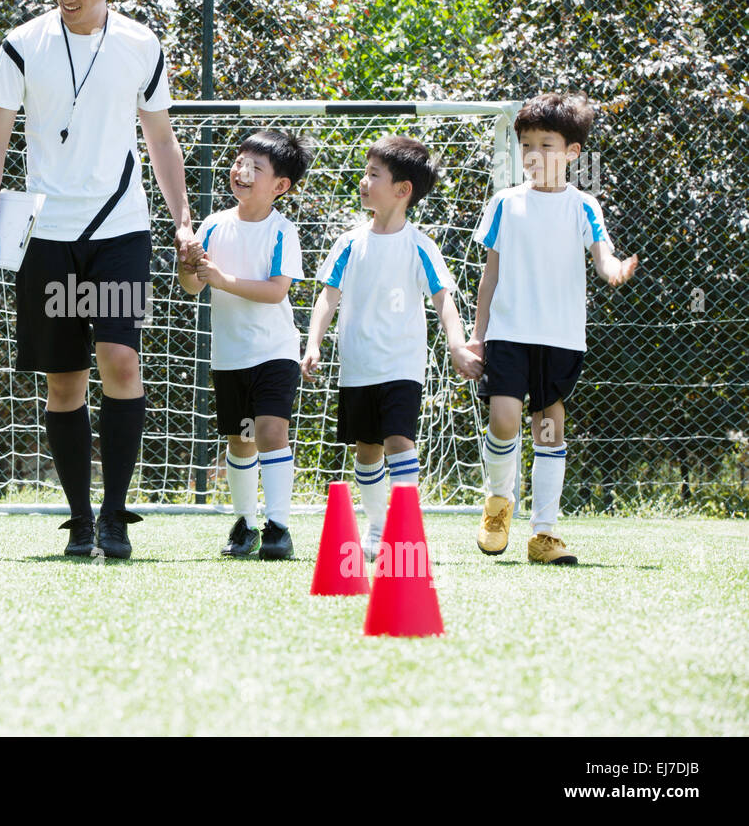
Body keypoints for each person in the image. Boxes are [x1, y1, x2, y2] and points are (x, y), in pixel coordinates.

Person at [0, 0, 195, 559]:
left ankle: (116, 515)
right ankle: (79, 518)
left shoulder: (141, 44)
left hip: (121, 229)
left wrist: (181, 219)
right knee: (64, 380)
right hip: (47, 234)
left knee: (121, 362)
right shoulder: (20, 45)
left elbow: (161, 139)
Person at [466, 93, 638, 564]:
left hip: (561, 337)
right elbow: (490, 275)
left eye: (546, 144)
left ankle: (544, 534)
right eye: (527, 145)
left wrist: (614, 269)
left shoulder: (584, 206)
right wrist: (477, 334)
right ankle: (498, 505)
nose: (534, 155)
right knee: (504, 419)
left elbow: (602, 255)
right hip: (507, 334)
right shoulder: (504, 203)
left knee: (548, 429)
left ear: (573, 153)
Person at [302, 136, 482, 562]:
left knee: (399, 440)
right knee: (367, 449)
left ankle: (403, 527)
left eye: (374, 175)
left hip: (402, 366)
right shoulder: (349, 242)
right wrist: (313, 343)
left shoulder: (421, 245)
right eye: (365, 173)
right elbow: (328, 296)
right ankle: (377, 526)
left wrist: (457, 347)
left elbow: (444, 300)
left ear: (403, 190)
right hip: (358, 366)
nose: (364, 182)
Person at [178, 130, 312, 559]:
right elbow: (192, 288)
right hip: (230, 355)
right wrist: (188, 266)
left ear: (280, 186)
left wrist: (221, 279)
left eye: (256, 167)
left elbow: (276, 291)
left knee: (272, 432)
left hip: (275, 352)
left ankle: (278, 527)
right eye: (240, 161)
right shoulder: (214, 224)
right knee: (240, 441)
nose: (242, 171)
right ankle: (246, 523)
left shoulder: (282, 231)